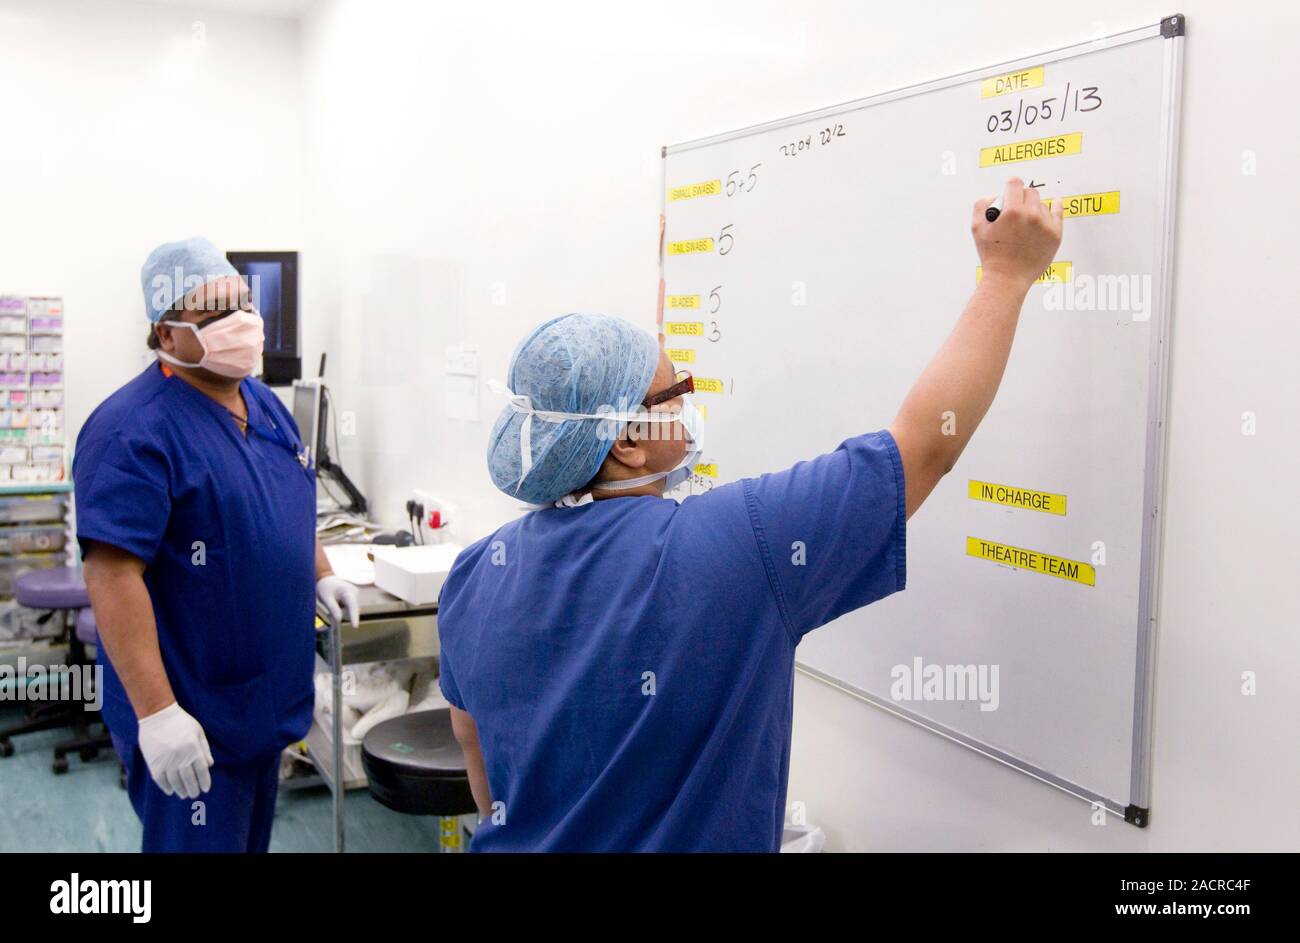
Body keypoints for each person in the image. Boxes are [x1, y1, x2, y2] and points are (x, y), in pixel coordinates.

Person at [434, 178, 1063, 851]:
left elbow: (480, 764)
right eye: (676, 389)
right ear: (626, 439)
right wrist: (1004, 274)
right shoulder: (737, 546)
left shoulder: (475, 573)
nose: (689, 400)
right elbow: (926, 447)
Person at [75, 237, 360, 853]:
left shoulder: (262, 403)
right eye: (216, 314)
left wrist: (320, 574)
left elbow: (288, 502)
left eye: (243, 304)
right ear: (167, 335)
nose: (244, 325)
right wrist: (156, 713)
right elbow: (112, 574)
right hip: (191, 716)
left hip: (260, 704)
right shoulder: (131, 430)